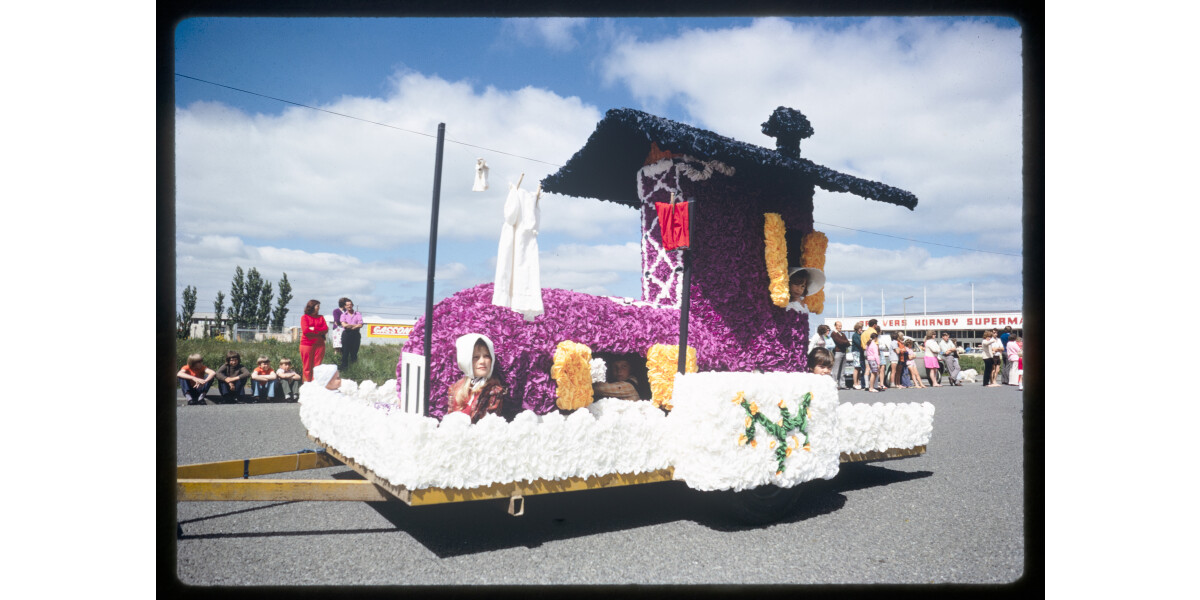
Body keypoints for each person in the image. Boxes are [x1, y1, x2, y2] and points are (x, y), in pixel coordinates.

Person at [447, 334, 509, 423]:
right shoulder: (454, 389)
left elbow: (487, 426)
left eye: (487, 356)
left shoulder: (493, 392)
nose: (482, 361)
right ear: (466, 361)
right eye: (476, 357)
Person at [299, 299, 329, 382]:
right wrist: (319, 331)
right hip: (307, 344)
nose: (319, 308)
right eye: (317, 306)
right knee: (307, 366)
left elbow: (326, 329)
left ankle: (315, 385)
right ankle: (306, 385)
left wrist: (313, 329)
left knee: (317, 366)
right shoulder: (304, 317)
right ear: (312, 306)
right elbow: (306, 331)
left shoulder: (321, 317)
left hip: (320, 345)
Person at [338, 297, 364, 371]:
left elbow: (360, 324)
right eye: (347, 305)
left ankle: (354, 369)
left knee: (354, 353)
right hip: (346, 334)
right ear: (345, 306)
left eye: (350, 304)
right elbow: (344, 325)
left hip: (356, 334)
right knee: (345, 352)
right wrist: (355, 326)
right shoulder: (343, 315)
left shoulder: (358, 314)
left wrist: (350, 326)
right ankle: (344, 369)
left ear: (352, 305)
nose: (349, 306)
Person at [830, 321, 851, 390]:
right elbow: (839, 342)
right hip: (837, 352)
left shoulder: (842, 334)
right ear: (835, 326)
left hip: (844, 352)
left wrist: (844, 342)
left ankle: (842, 384)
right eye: (839, 325)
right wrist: (845, 342)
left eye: (841, 325)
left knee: (842, 370)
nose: (840, 327)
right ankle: (834, 384)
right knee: (836, 370)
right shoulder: (833, 334)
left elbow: (848, 343)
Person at [850, 321, 865, 390]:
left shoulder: (861, 335)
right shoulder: (855, 335)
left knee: (859, 368)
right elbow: (859, 343)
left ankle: (858, 382)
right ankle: (855, 383)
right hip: (856, 352)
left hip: (860, 352)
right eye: (860, 328)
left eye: (861, 328)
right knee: (856, 367)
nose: (861, 329)